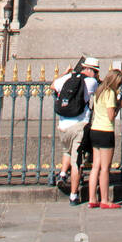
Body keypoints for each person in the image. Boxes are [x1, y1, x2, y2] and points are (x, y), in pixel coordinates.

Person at [51, 56, 99, 205]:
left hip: (63, 126)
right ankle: (73, 194)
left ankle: (63, 174)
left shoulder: (66, 80)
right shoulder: (91, 82)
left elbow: (53, 85)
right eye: (96, 72)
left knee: (67, 151)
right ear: (91, 71)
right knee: (77, 161)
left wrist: (65, 73)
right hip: (79, 126)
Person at [86, 66, 122, 209]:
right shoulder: (110, 93)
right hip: (105, 131)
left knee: (95, 167)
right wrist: (120, 105)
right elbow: (111, 115)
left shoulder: (99, 90)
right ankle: (104, 199)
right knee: (105, 168)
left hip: (95, 129)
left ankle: (92, 198)